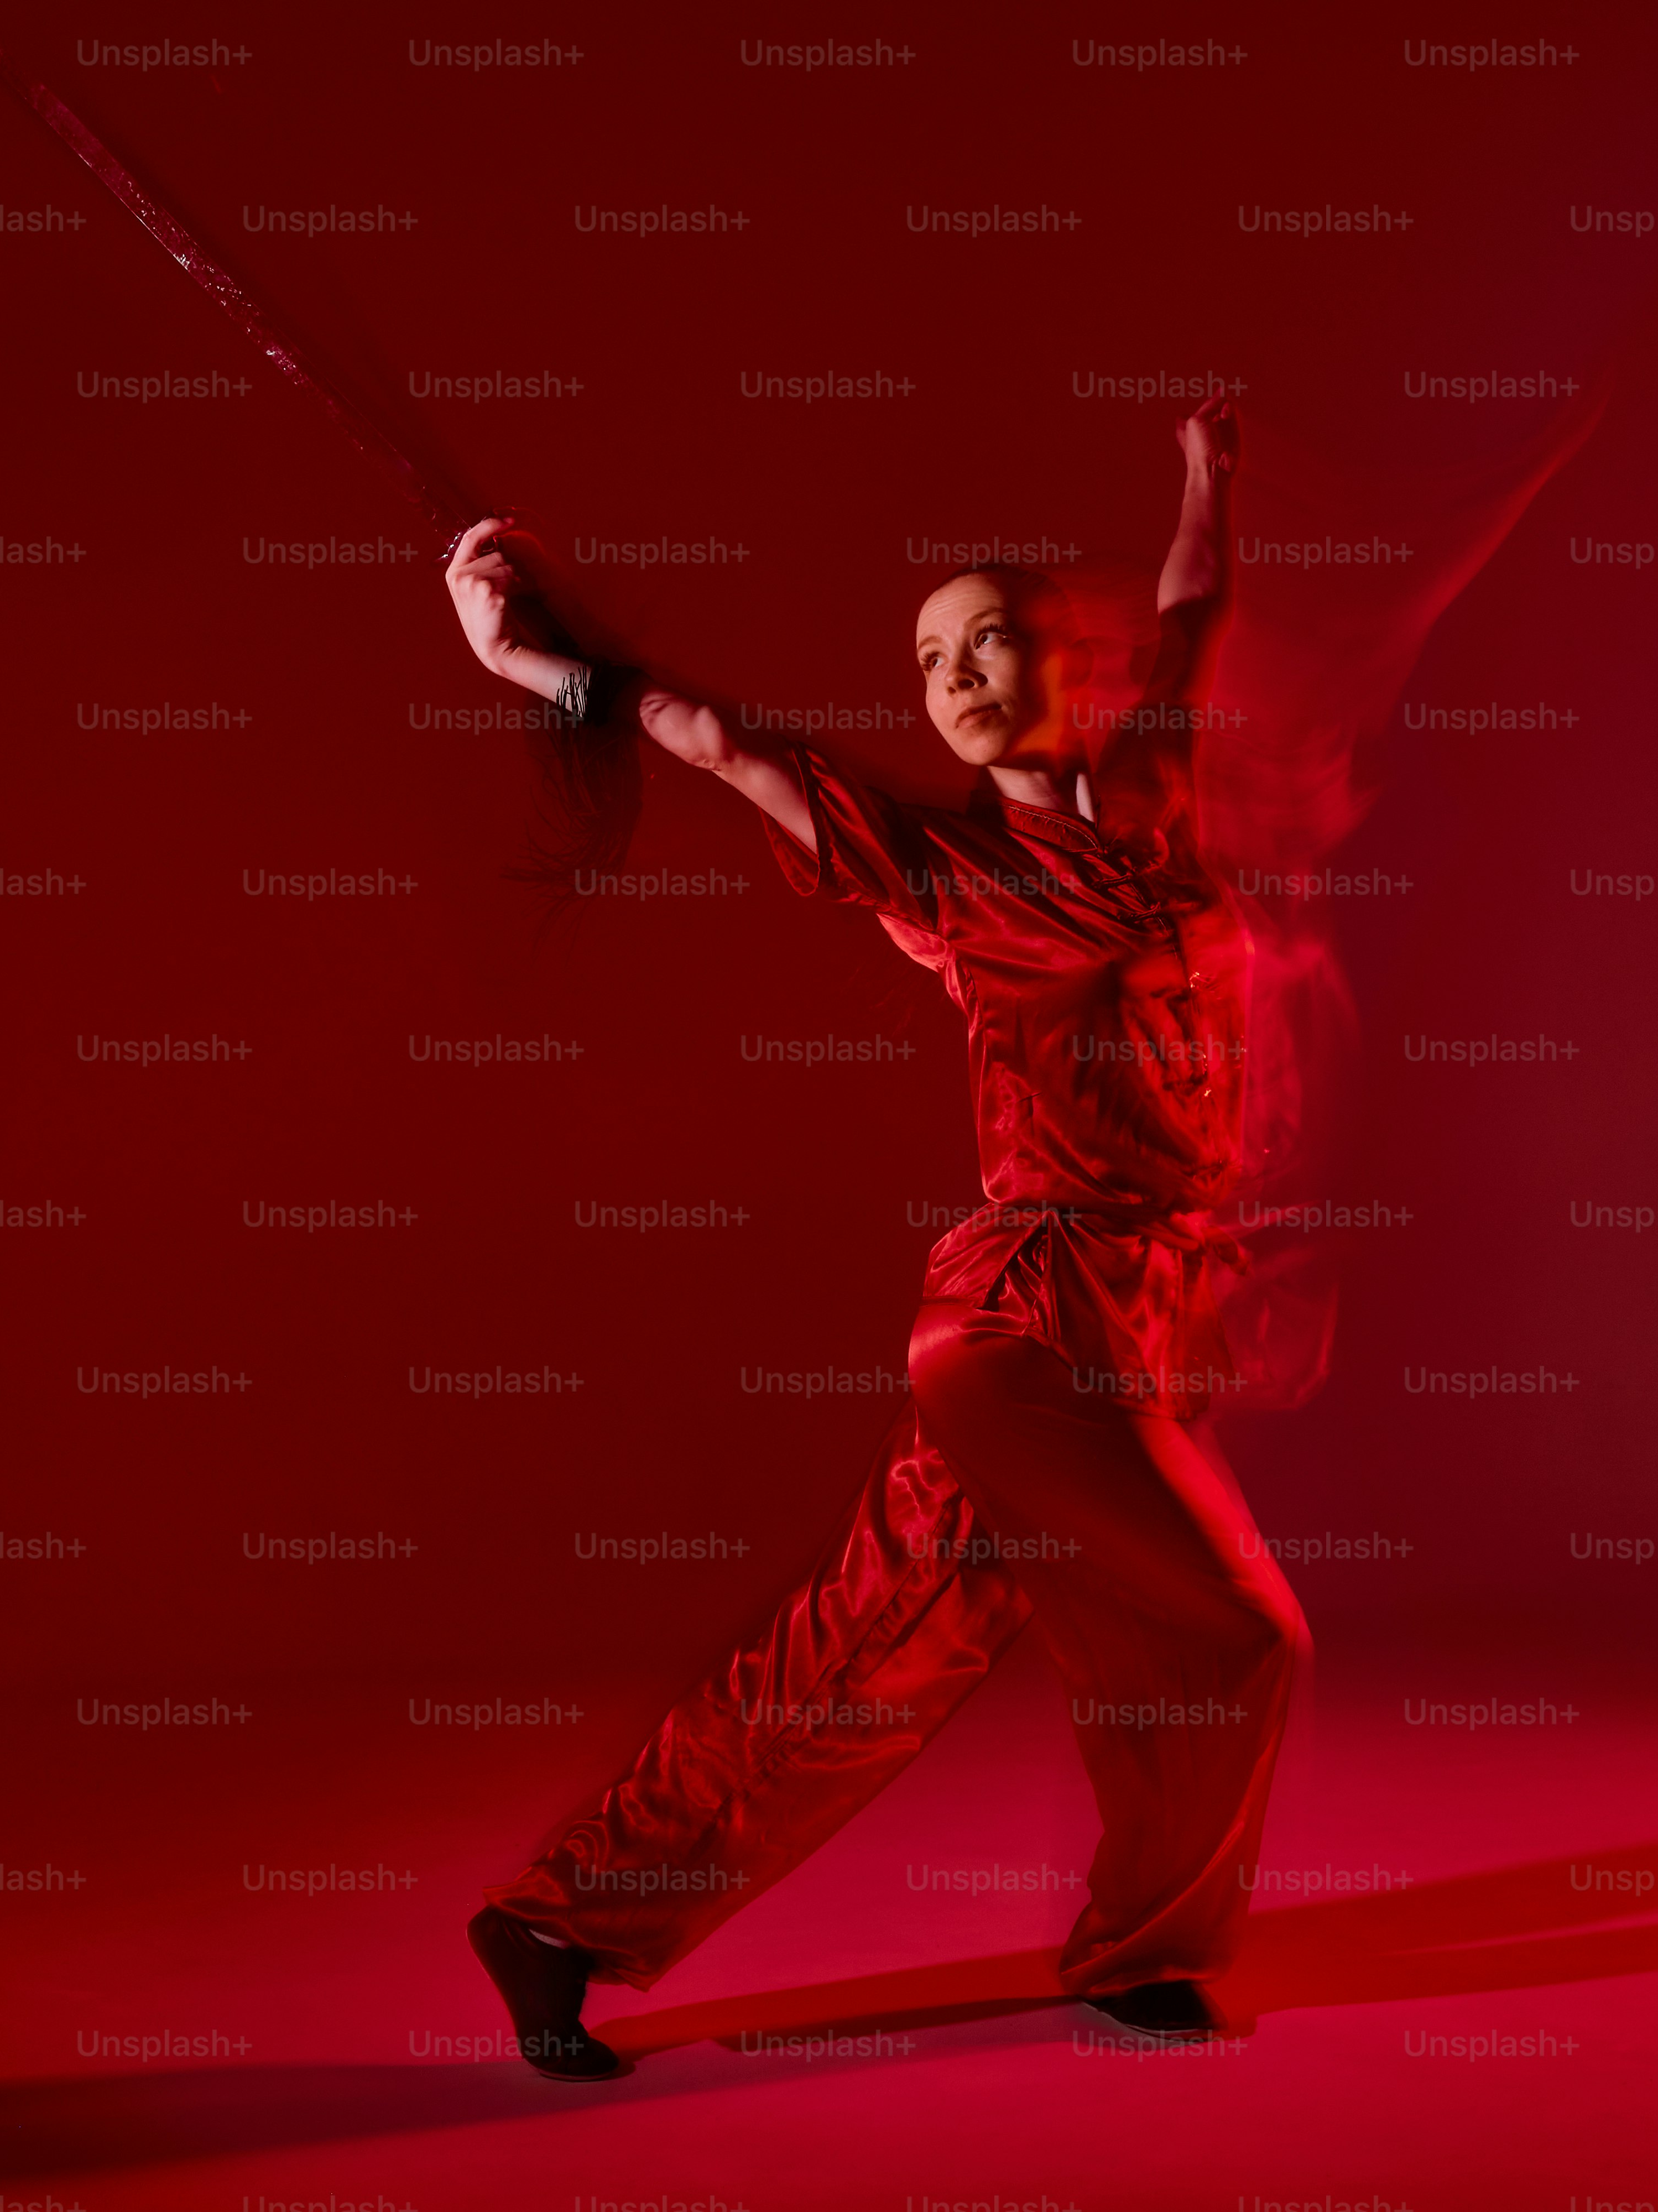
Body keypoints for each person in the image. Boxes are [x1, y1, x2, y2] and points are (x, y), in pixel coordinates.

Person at [448, 398, 1307, 2081]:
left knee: (876, 1648)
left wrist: (1210, 473)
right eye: (933, 660)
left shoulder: (1162, 805)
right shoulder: (939, 872)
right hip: (1023, 1324)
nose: (964, 674)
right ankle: (1147, 1948)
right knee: (1237, 1629)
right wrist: (524, 663)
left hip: (1143, 1324)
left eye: (996, 638)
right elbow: (712, 738)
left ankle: (561, 1922)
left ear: (1075, 661)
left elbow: (1197, 613)